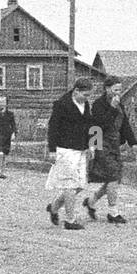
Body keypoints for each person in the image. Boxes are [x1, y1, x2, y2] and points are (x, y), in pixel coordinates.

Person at [84, 77, 137, 224]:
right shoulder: (98, 105)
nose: (118, 93)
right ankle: (113, 212)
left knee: (114, 179)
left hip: (115, 145)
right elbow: (100, 125)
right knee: (113, 177)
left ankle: (91, 201)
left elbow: (125, 123)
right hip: (102, 144)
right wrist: (112, 108)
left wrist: (133, 142)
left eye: (120, 90)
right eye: (115, 90)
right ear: (107, 89)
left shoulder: (120, 104)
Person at [44, 76, 95, 229]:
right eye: (85, 95)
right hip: (65, 150)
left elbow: (88, 125)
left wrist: (91, 145)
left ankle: (53, 207)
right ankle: (70, 220)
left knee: (79, 185)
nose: (87, 99)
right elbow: (53, 127)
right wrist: (52, 149)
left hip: (80, 149)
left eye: (89, 96)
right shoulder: (61, 104)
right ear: (76, 91)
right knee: (69, 185)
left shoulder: (85, 105)